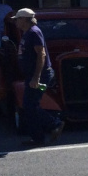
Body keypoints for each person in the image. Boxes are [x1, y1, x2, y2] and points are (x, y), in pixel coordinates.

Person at [14, 8, 63, 146]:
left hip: (40, 76)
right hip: (32, 76)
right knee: (29, 105)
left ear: (24, 19)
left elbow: (41, 55)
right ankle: (37, 137)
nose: (16, 21)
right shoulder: (27, 33)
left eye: (18, 19)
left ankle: (55, 124)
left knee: (30, 105)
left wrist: (36, 78)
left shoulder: (34, 32)